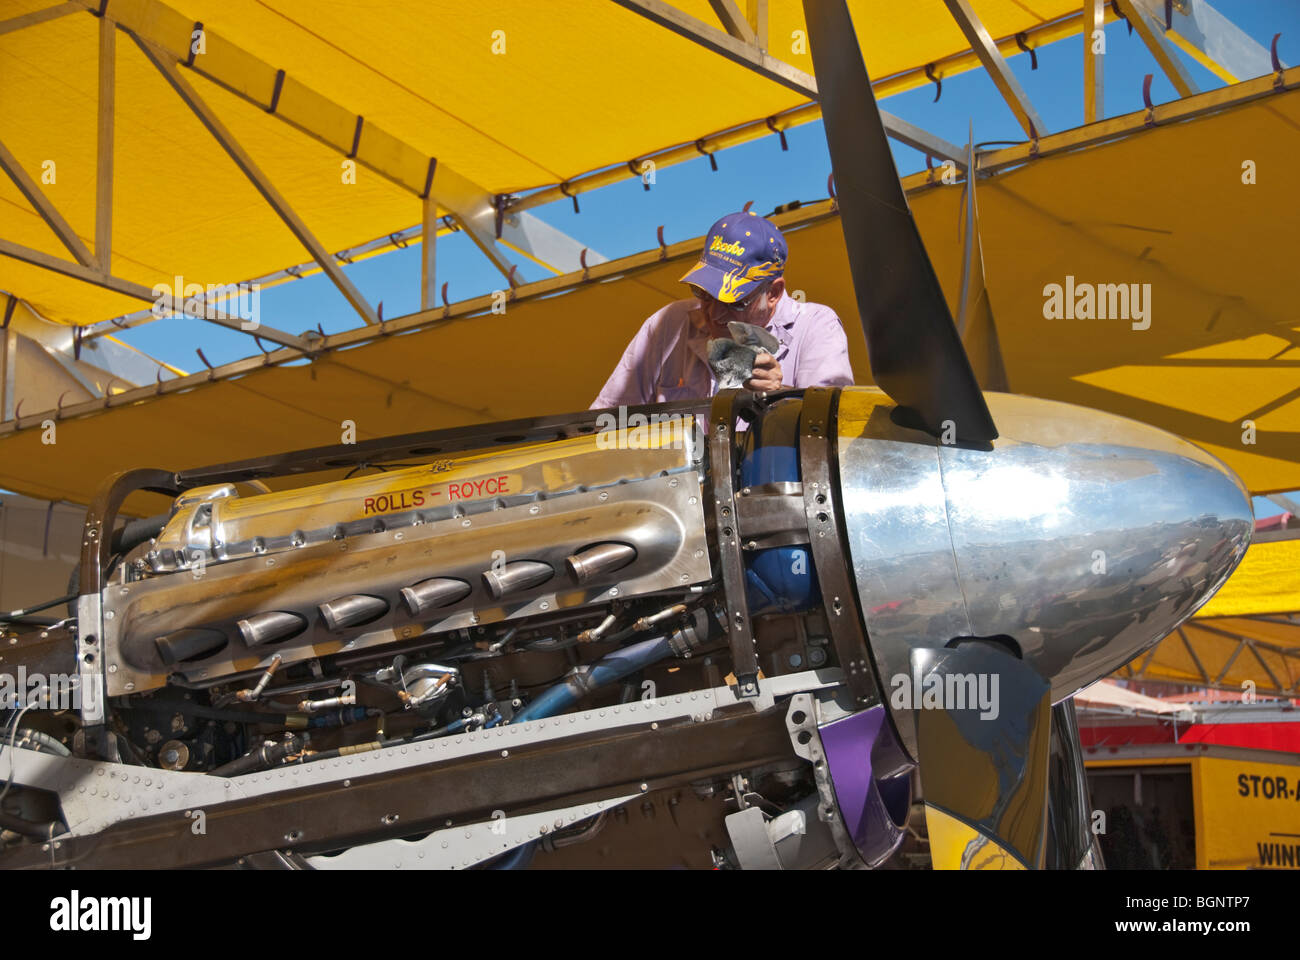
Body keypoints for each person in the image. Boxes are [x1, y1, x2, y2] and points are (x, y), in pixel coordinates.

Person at [591, 211, 854, 408]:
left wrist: (781, 395)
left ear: (772, 293)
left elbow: (831, 431)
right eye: (704, 294)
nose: (715, 314)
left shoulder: (816, 326)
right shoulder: (669, 324)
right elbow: (605, 422)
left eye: (734, 302)